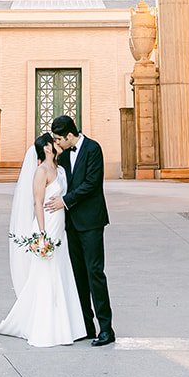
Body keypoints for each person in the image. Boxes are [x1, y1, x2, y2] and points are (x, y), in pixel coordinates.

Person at [0, 132, 86, 348]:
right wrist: (42, 233)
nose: (58, 143)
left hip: (60, 228)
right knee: (46, 275)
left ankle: (65, 325)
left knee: (61, 271)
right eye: (54, 141)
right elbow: (37, 203)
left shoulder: (60, 170)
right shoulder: (41, 172)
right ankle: (46, 327)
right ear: (48, 148)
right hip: (47, 226)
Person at [47, 115, 114, 345]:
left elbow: (91, 184)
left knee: (95, 273)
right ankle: (86, 327)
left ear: (69, 135)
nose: (57, 143)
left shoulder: (93, 149)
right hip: (71, 224)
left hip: (91, 222)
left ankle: (106, 329)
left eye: (59, 139)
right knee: (78, 276)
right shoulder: (64, 154)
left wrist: (64, 201)